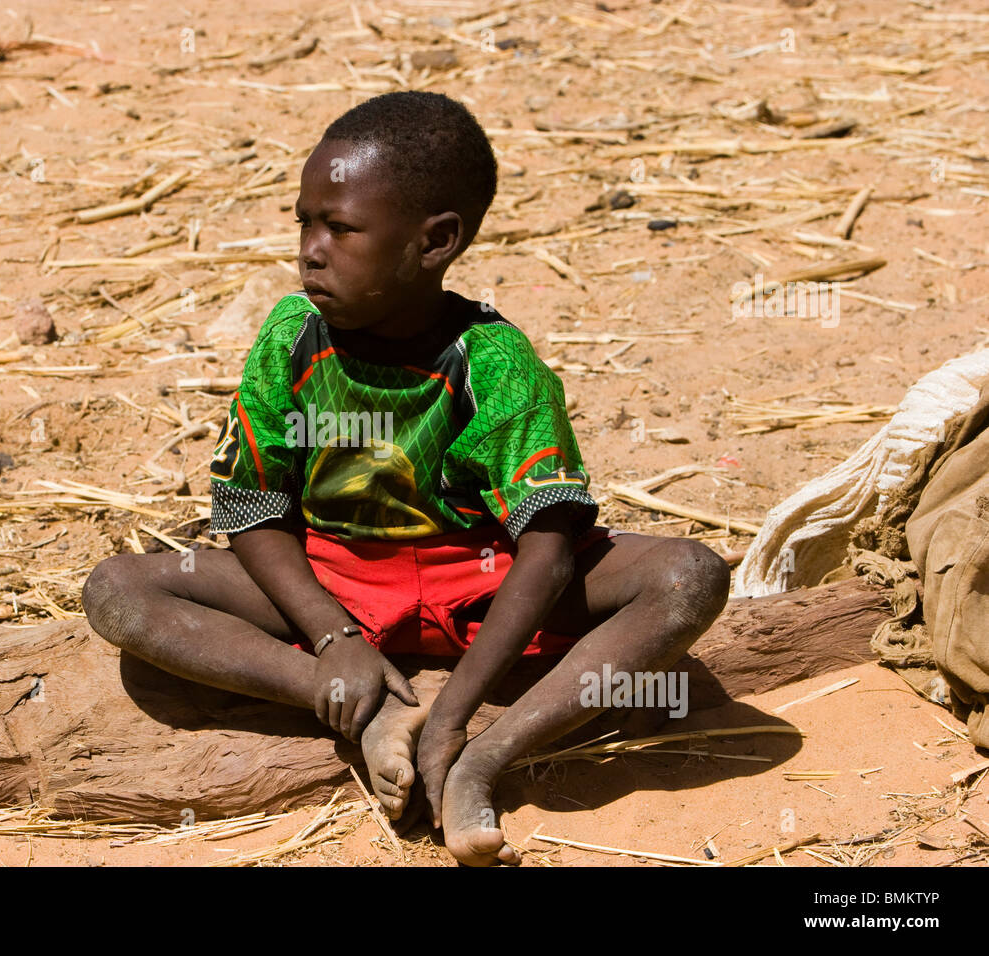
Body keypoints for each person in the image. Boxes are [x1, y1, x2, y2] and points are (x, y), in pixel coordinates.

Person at [83, 91, 730, 866]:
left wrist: (457, 713)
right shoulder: (292, 338)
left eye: (341, 228)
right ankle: (363, 703)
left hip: (481, 577)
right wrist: (332, 639)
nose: (310, 249)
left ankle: (486, 761)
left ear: (436, 242)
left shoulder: (493, 361)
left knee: (689, 574)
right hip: (335, 580)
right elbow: (252, 506)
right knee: (117, 589)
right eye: (304, 222)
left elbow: (551, 546)